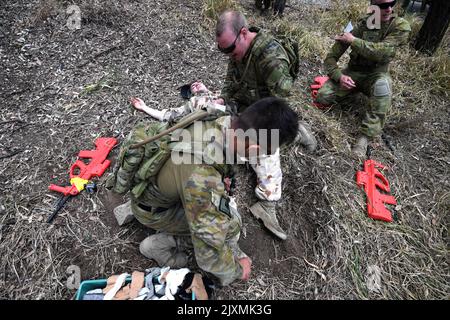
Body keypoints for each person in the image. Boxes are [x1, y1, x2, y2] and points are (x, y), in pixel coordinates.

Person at [107, 97, 299, 286]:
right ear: (254, 147)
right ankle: (160, 246)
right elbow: (208, 254)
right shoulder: (203, 176)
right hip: (154, 209)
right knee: (232, 224)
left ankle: (143, 209)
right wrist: (237, 271)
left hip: (148, 184)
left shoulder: (214, 117)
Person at [315, 0, 411, 157]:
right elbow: (331, 58)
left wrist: (352, 40)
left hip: (376, 75)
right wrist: (339, 77)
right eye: (382, 6)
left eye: (391, 3)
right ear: (373, 6)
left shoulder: (399, 26)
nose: (388, 9)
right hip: (353, 72)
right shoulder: (362, 23)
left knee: (382, 87)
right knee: (323, 97)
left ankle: (363, 139)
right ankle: (353, 91)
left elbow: (382, 52)